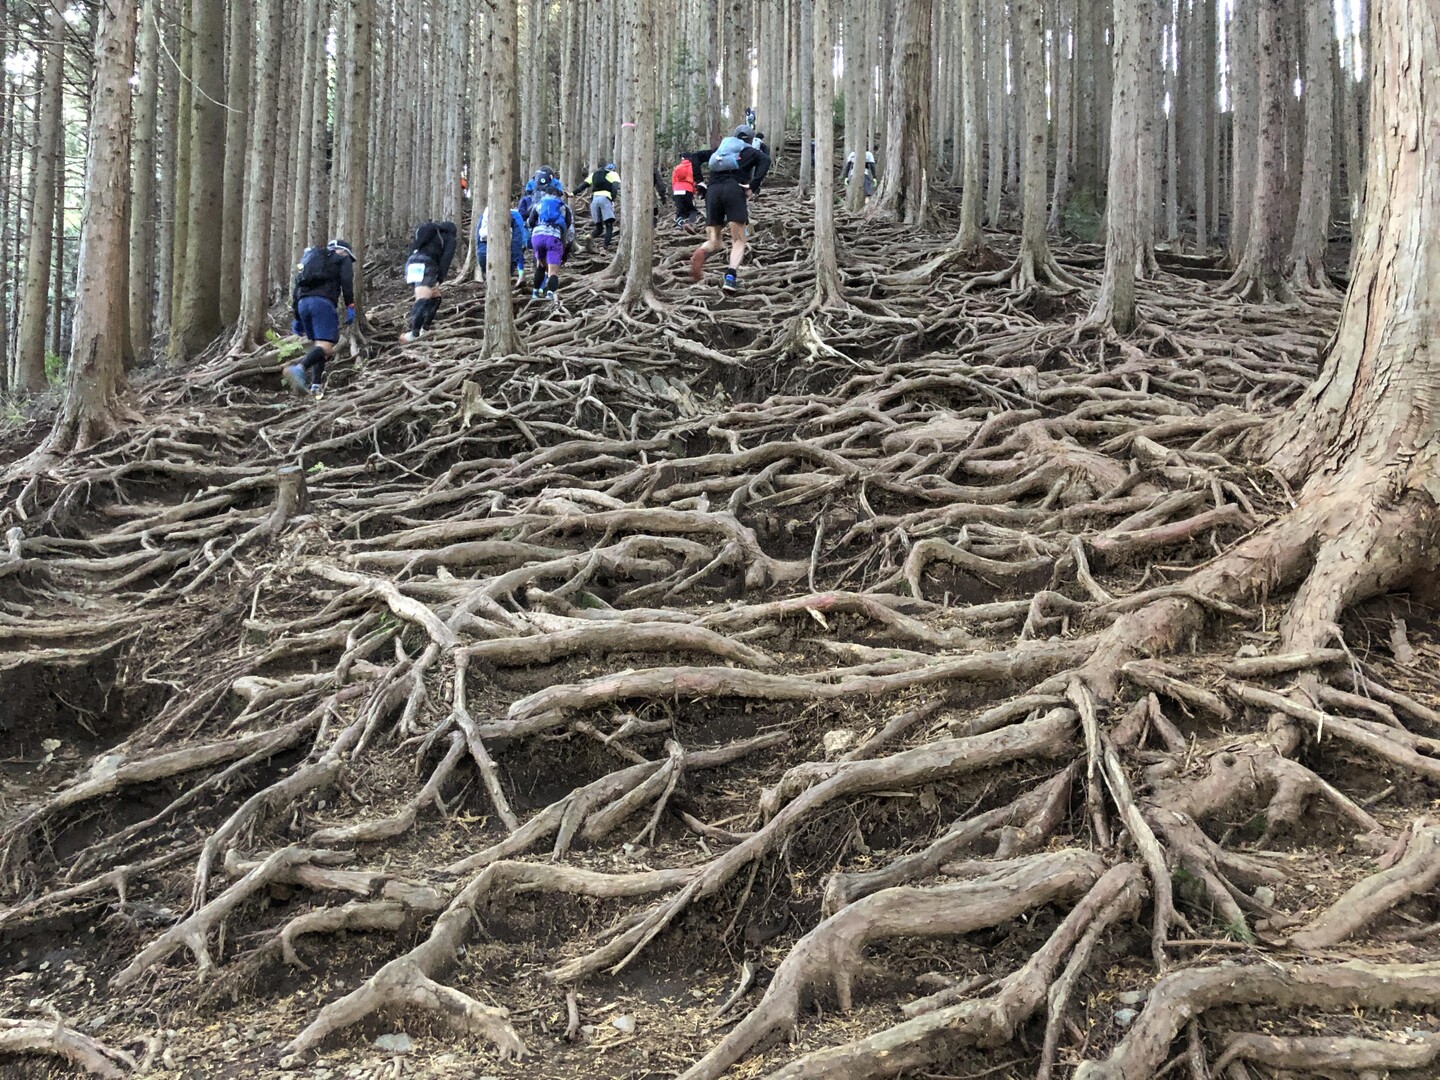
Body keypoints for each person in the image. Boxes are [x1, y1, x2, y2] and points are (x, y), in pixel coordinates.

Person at [687, 124, 771, 292]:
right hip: (734, 190)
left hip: (713, 191)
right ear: (750, 139)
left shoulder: (720, 151)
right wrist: (752, 186)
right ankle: (730, 278)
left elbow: (694, 157)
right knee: (739, 241)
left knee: (715, 241)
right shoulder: (749, 151)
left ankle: (702, 250)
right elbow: (766, 160)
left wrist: (700, 181)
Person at [283, 239, 355, 397]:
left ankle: (315, 386)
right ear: (342, 251)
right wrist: (350, 305)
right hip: (322, 304)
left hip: (303, 304)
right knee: (326, 346)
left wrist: (297, 317)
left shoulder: (310, 260)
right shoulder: (342, 259)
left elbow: (297, 286)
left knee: (319, 345)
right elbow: (347, 282)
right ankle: (299, 368)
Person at [400, 220, 458, 343]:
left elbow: (413, 249)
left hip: (412, 263)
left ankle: (424, 329)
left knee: (435, 297)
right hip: (426, 264)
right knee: (424, 299)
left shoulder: (429, 234)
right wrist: (440, 279)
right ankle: (413, 333)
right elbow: (445, 261)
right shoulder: (450, 239)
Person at [528, 193, 571, 301]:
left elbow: (531, 221)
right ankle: (550, 294)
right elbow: (568, 223)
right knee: (553, 271)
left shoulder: (538, 204)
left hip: (537, 237)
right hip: (553, 238)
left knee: (541, 266)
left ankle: (535, 293)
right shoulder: (562, 206)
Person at [476, 205, 528, 286]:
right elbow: (518, 241)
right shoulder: (514, 215)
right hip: (505, 258)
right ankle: (520, 274)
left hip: (485, 255)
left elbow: (479, 238)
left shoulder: (484, 215)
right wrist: (511, 266)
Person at [576, 163, 621, 251]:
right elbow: (615, 187)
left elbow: (584, 185)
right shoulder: (613, 174)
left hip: (594, 201)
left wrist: (573, 193)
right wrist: (612, 198)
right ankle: (604, 248)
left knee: (599, 228)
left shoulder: (594, 174)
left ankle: (589, 236)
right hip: (605, 200)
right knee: (609, 226)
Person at [671, 155, 699, 230]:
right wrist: (694, 191)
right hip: (687, 189)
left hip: (677, 190)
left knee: (680, 211)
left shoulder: (677, 168)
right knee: (692, 210)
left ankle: (679, 225)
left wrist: (674, 191)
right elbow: (694, 181)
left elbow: (673, 181)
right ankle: (691, 223)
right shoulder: (692, 167)